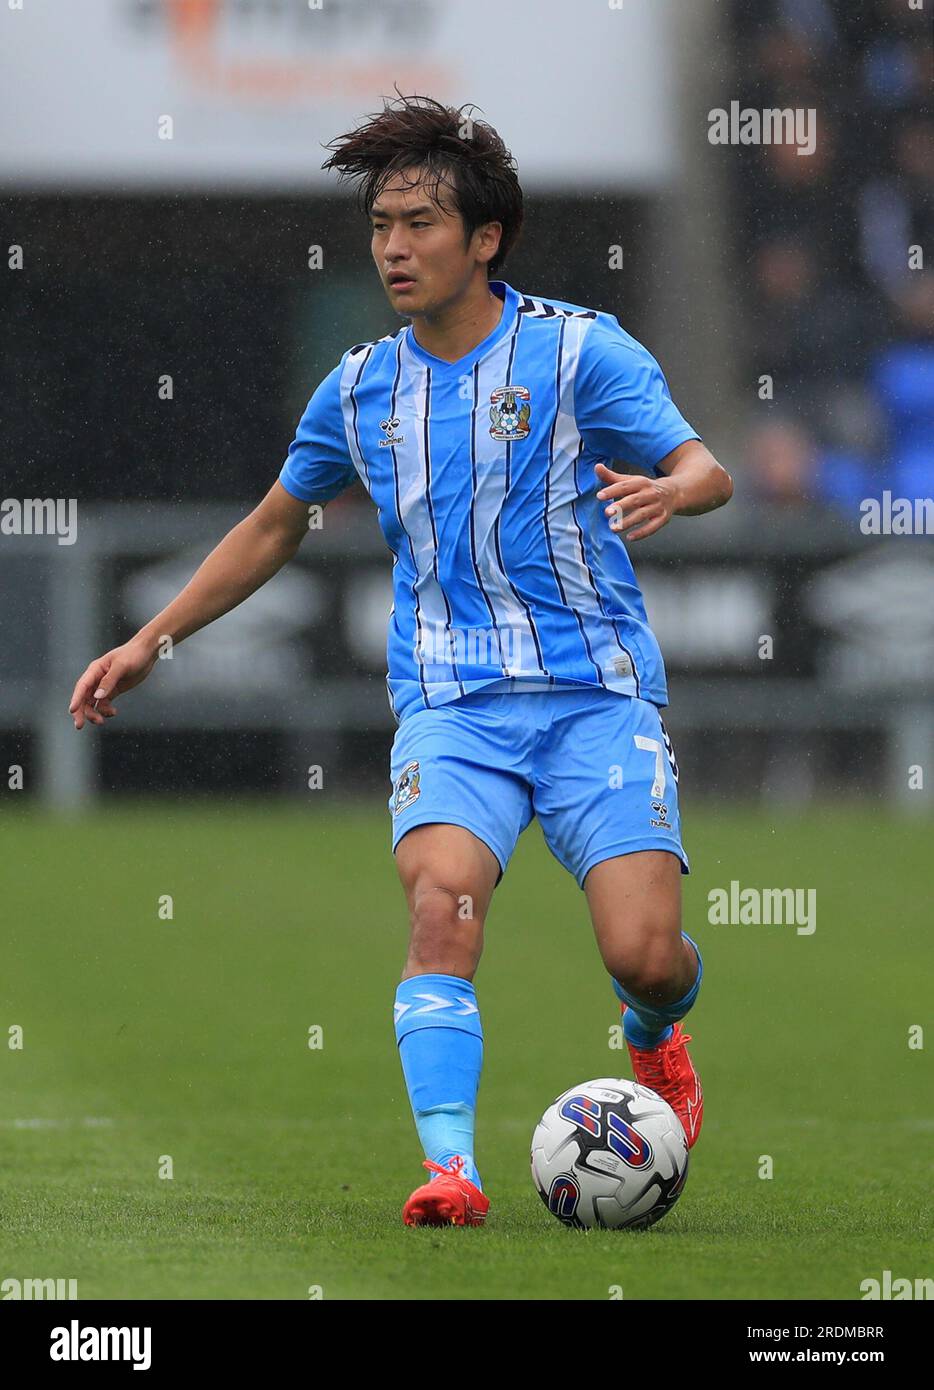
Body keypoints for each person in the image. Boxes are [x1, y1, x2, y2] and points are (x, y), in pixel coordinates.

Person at [69, 92, 733, 1228]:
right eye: (381, 223)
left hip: (595, 697)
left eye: (419, 222)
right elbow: (276, 522)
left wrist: (677, 487)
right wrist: (150, 639)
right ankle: (452, 1171)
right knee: (442, 908)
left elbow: (704, 466)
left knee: (647, 950)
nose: (392, 246)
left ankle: (652, 1030)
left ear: (486, 240)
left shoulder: (581, 352)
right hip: (451, 705)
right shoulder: (363, 384)